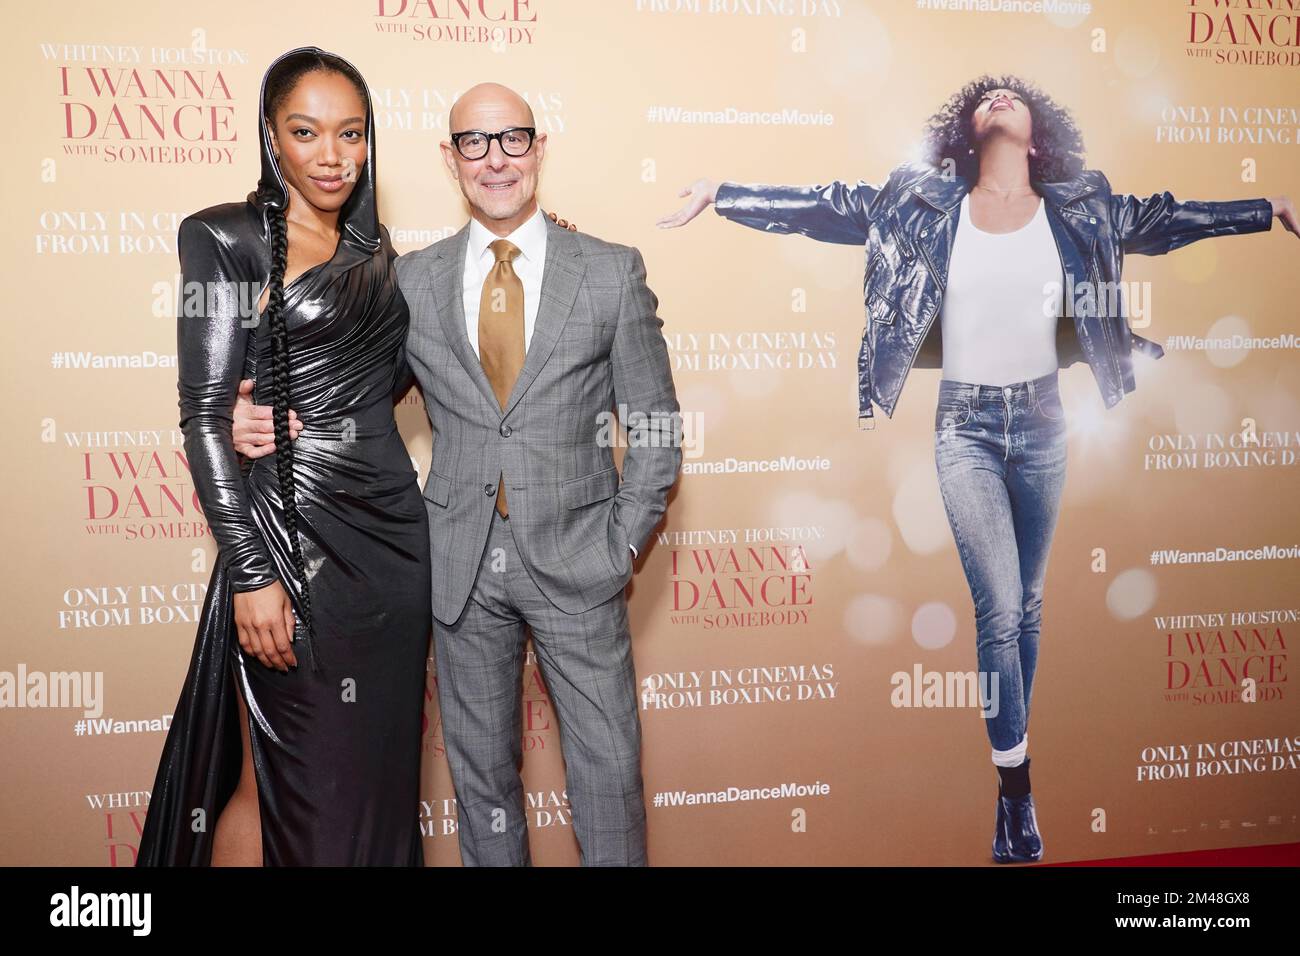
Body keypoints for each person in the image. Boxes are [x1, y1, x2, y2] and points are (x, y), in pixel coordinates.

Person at [658, 74, 1296, 863]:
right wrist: (724, 194)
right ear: (967, 126)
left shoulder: (1081, 203)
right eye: (983, 93)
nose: (996, 93)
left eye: (1011, 92)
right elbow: (827, 208)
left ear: (1037, 134)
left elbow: (1163, 221)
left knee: (1028, 606)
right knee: (998, 610)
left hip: (1044, 423)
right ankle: (1016, 789)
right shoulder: (919, 203)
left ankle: (1011, 768)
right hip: (963, 426)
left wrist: (1264, 210)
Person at [235, 82, 682, 866]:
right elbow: (362, 396)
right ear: (450, 158)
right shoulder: (414, 281)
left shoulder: (610, 271)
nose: (495, 159)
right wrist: (264, 414)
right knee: (483, 787)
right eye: (474, 142)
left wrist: (619, 546)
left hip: (582, 560)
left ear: (539, 149)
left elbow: (653, 426)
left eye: (513, 139)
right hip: (458, 568)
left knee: (607, 777)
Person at [137, 47, 431, 866]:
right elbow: (201, 414)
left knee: (376, 782)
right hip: (289, 543)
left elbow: (401, 378)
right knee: (274, 781)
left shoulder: (382, 256)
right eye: (306, 132)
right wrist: (250, 573)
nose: (332, 155)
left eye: (351, 133)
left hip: (394, 547)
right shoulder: (222, 237)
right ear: (271, 135)